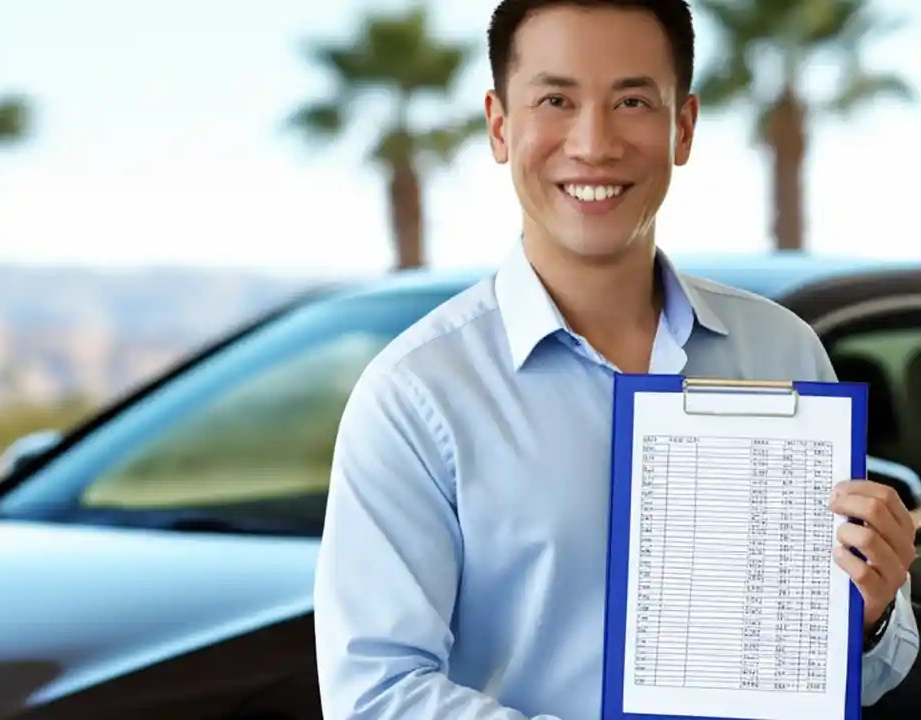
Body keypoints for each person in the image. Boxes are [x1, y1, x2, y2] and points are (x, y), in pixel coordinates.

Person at [312, 1, 919, 717]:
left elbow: (854, 676)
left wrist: (871, 616)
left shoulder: (782, 351)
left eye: (632, 101)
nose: (594, 143)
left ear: (682, 126)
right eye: (556, 100)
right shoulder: (416, 395)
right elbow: (374, 694)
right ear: (500, 124)